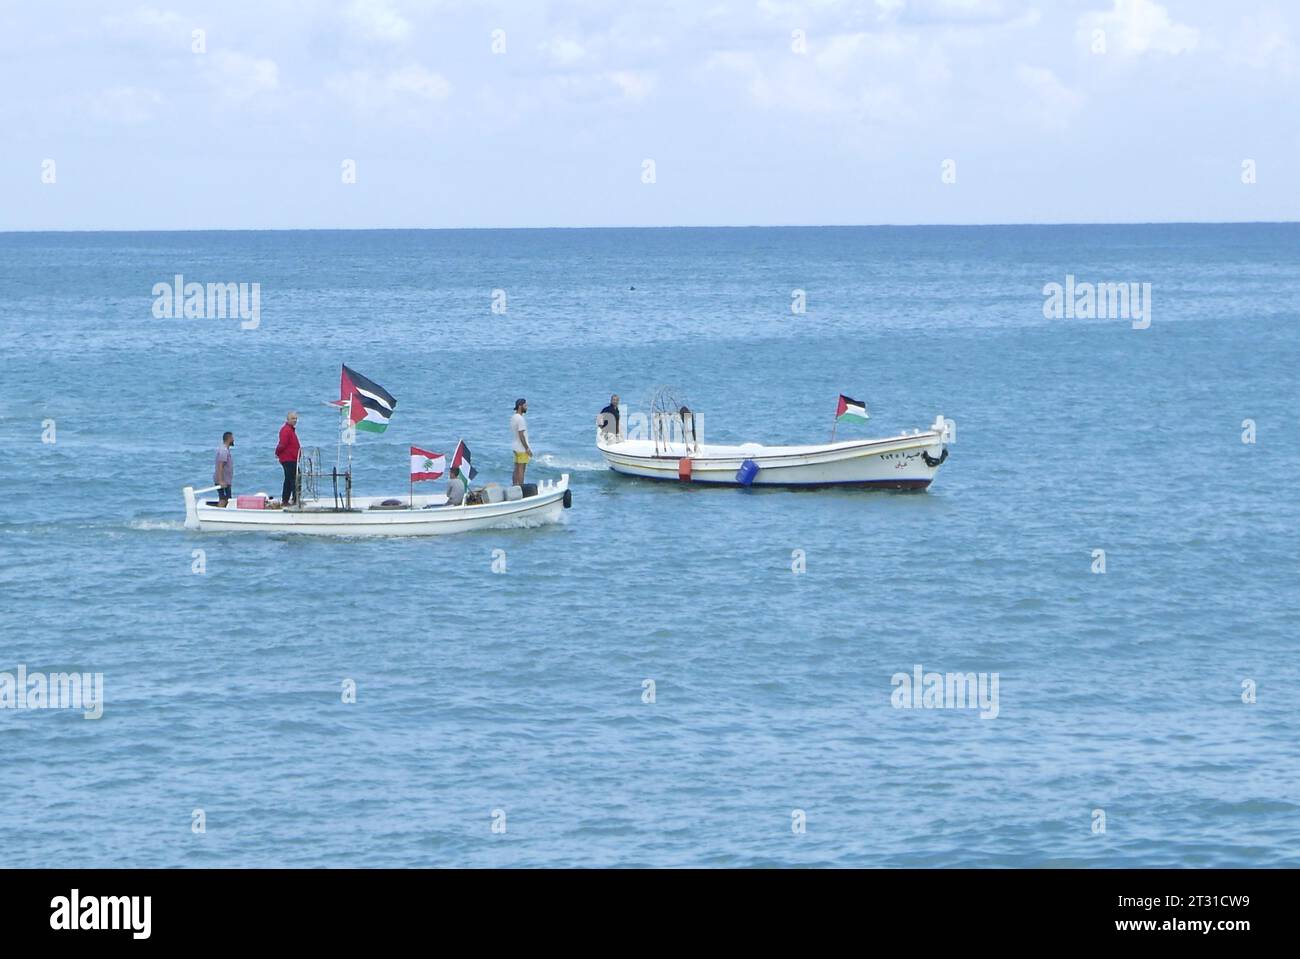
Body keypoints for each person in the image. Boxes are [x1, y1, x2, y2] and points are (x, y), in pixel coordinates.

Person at [276, 411, 300, 505]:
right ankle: (293, 500)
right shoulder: (286, 430)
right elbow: (282, 444)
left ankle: (287, 499)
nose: (295, 420)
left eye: (296, 419)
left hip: (292, 459)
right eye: (293, 418)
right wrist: (277, 453)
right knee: (294, 479)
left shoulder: (290, 430)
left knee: (290, 479)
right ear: (288, 419)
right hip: (288, 459)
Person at [511, 398, 532, 486]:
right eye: (525, 406)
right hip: (521, 448)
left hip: (515, 446)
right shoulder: (520, 419)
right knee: (521, 469)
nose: (526, 407)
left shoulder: (513, 417)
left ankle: (515, 485)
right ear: (520, 406)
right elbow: (521, 435)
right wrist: (527, 448)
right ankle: (521, 487)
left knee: (516, 468)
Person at [214, 431, 235, 507]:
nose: (233, 440)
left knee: (226, 499)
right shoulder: (223, 451)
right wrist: (221, 481)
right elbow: (220, 466)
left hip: (226, 481)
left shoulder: (225, 450)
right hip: (223, 481)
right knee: (224, 499)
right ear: (229, 439)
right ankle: (219, 514)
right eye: (232, 438)